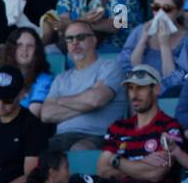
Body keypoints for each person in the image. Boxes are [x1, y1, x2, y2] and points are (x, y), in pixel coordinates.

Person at [41, 20, 128, 153]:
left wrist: (60, 100)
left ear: (94, 40)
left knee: (79, 150)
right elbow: (46, 114)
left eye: (80, 37)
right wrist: (87, 104)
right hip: (60, 138)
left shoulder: (110, 67)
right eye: (69, 39)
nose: (74, 42)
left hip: (97, 137)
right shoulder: (61, 78)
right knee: (36, 152)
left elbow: (95, 100)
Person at [121, 0, 188, 97]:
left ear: (179, 12)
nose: (160, 13)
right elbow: (132, 66)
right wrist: (143, 38)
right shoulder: (140, 30)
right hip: (138, 95)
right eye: (156, 7)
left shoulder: (187, 39)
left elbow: (173, 82)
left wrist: (164, 45)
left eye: (167, 9)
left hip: (168, 97)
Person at [0, 27, 53, 119]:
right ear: (11, 49)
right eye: (19, 45)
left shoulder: (43, 79)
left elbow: (32, 116)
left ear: (37, 51)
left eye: (30, 46)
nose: (24, 49)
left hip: (19, 129)